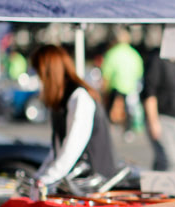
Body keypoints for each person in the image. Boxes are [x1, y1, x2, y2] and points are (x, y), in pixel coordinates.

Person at [30, 44, 119, 192]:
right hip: (78, 185)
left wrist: (45, 179)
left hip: (94, 186)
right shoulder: (61, 101)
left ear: (48, 73)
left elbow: (71, 149)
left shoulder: (79, 98)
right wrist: (39, 176)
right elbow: (57, 150)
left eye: (40, 75)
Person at [100, 28, 145, 139]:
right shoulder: (134, 54)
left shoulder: (112, 53)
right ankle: (128, 130)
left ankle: (110, 129)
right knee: (129, 110)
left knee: (111, 109)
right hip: (131, 87)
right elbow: (139, 71)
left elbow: (106, 73)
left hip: (115, 86)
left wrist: (104, 89)